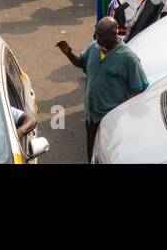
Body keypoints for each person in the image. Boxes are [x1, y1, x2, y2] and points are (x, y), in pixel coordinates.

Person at [55, 18, 148, 161]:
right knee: (92, 155)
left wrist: (123, 116)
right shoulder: (94, 47)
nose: (96, 37)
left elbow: (138, 91)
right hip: (91, 117)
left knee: (107, 157)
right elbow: (82, 62)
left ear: (112, 34)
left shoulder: (128, 58)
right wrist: (69, 53)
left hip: (110, 122)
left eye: (99, 35)